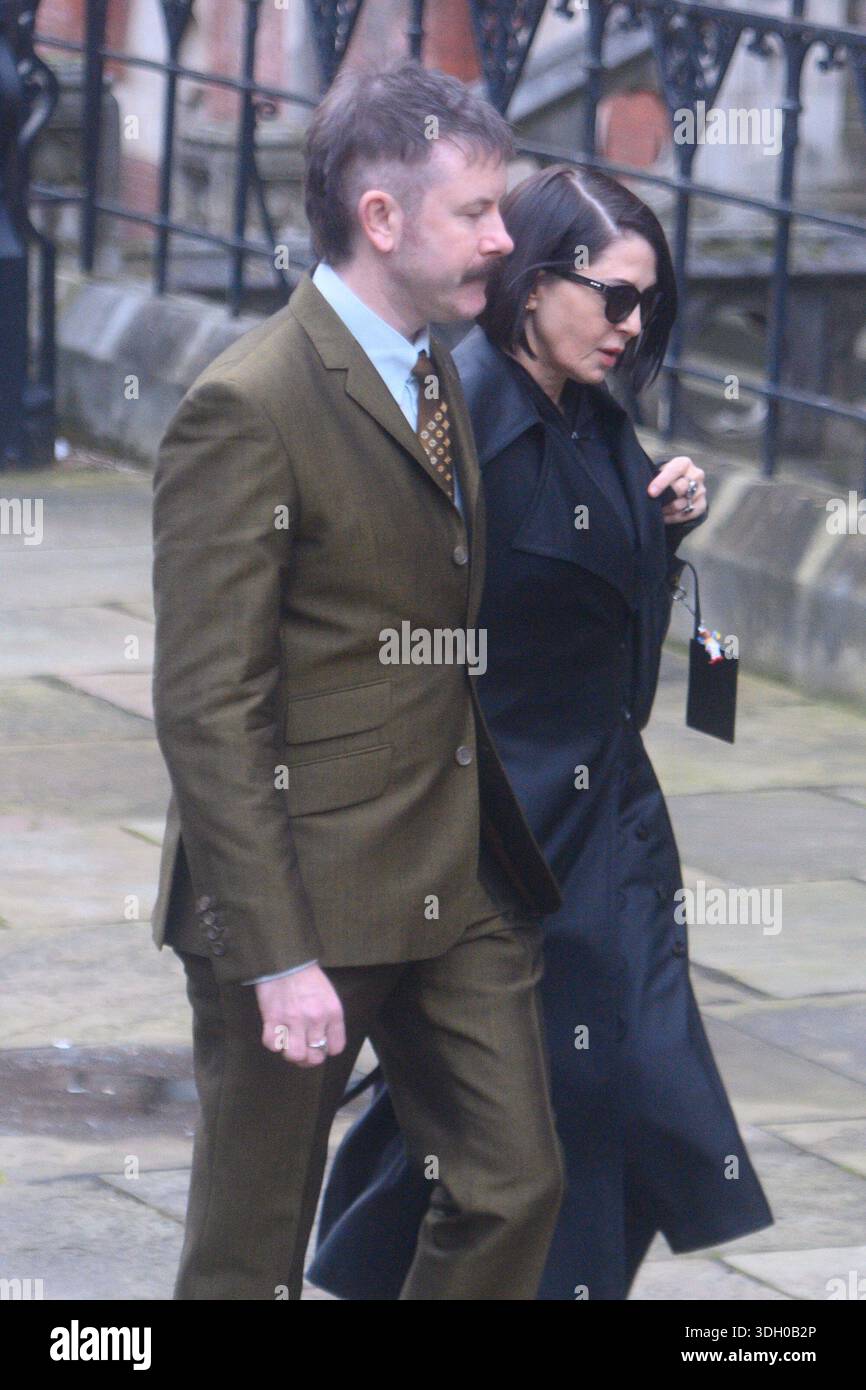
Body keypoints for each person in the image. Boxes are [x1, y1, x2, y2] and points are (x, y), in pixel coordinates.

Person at [308, 164, 774, 1302]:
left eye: (648, 307)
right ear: (531, 279)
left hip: (603, 824)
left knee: (620, 1089)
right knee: (552, 1104)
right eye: (613, 296)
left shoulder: (591, 415)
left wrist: (658, 531)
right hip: (499, 834)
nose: (631, 326)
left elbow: (593, 632)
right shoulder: (455, 422)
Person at [149, 64, 569, 1301]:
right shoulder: (246, 405)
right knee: (250, 1255)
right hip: (297, 896)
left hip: (448, 869)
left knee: (511, 1183)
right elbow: (206, 705)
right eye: (476, 212)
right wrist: (277, 957)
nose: (504, 237)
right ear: (381, 220)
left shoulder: (433, 364)